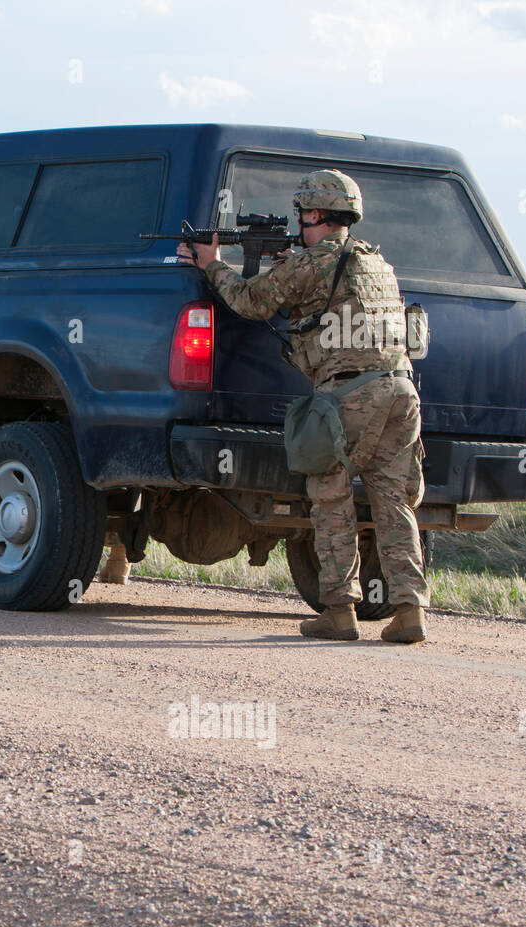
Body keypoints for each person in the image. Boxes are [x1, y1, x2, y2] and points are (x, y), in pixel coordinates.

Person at [176, 169, 429, 644]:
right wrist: (292, 262)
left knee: (331, 497)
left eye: (302, 214)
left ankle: (339, 610)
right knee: (395, 503)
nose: (300, 221)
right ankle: (409, 611)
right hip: (400, 391)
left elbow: (249, 302)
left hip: (349, 394)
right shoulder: (376, 263)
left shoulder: (313, 264)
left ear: (315, 213)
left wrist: (211, 263)